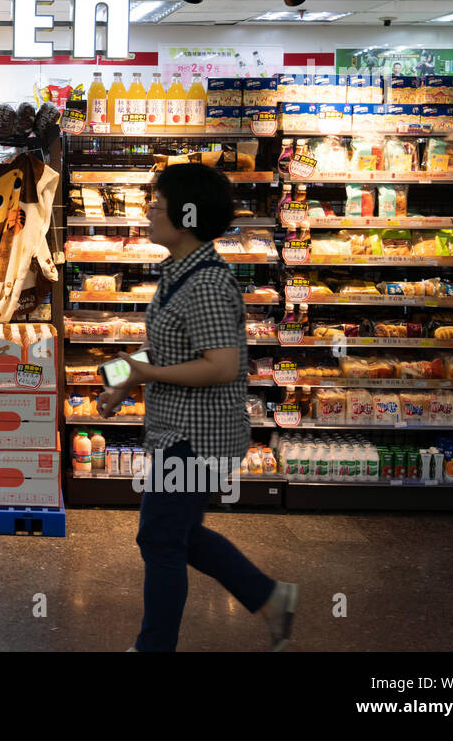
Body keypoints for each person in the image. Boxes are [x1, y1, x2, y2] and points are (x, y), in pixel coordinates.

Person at [96, 163, 299, 651]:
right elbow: (169, 350)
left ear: (186, 216)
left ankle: (154, 646)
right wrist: (123, 382)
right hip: (179, 431)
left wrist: (144, 374)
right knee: (180, 533)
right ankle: (270, 597)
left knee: (161, 539)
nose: (148, 210)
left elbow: (222, 366)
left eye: (158, 205)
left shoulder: (206, 283)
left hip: (198, 440)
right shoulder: (176, 274)